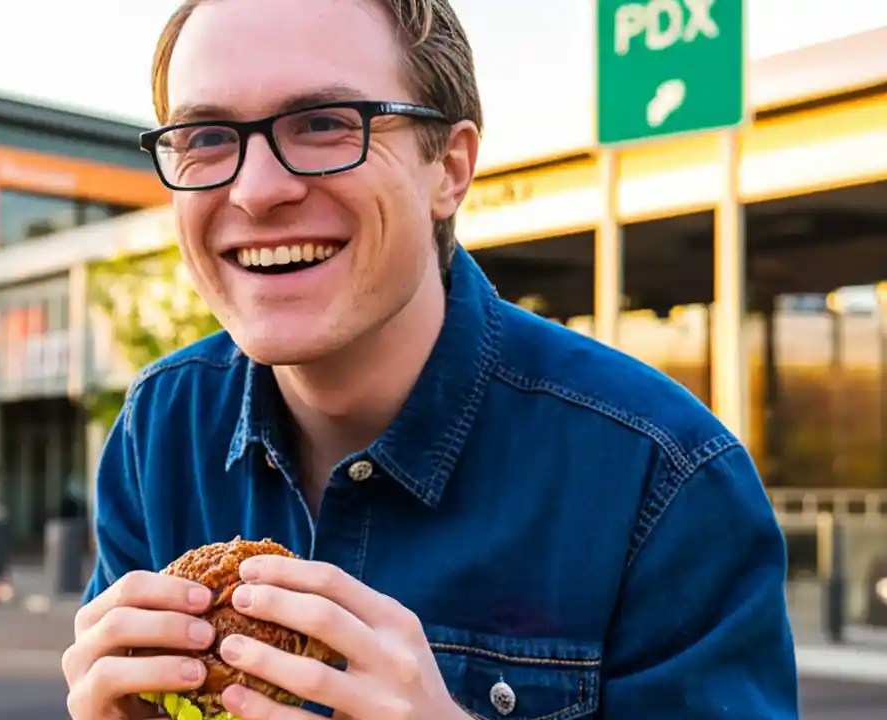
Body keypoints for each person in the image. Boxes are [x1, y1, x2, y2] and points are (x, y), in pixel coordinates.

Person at [61, 0, 800, 718]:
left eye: (325, 124)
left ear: (449, 167)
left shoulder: (664, 478)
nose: (256, 192)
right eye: (207, 137)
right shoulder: (158, 430)